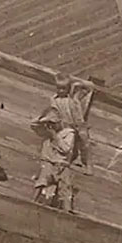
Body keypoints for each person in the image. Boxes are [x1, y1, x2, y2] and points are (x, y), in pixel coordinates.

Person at [32, 74, 94, 210]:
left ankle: (88, 164)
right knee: (51, 150)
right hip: (58, 127)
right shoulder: (53, 99)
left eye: (64, 88)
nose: (60, 91)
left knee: (84, 140)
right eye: (58, 88)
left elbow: (90, 87)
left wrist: (76, 82)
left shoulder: (72, 99)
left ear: (68, 87)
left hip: (73, 125)